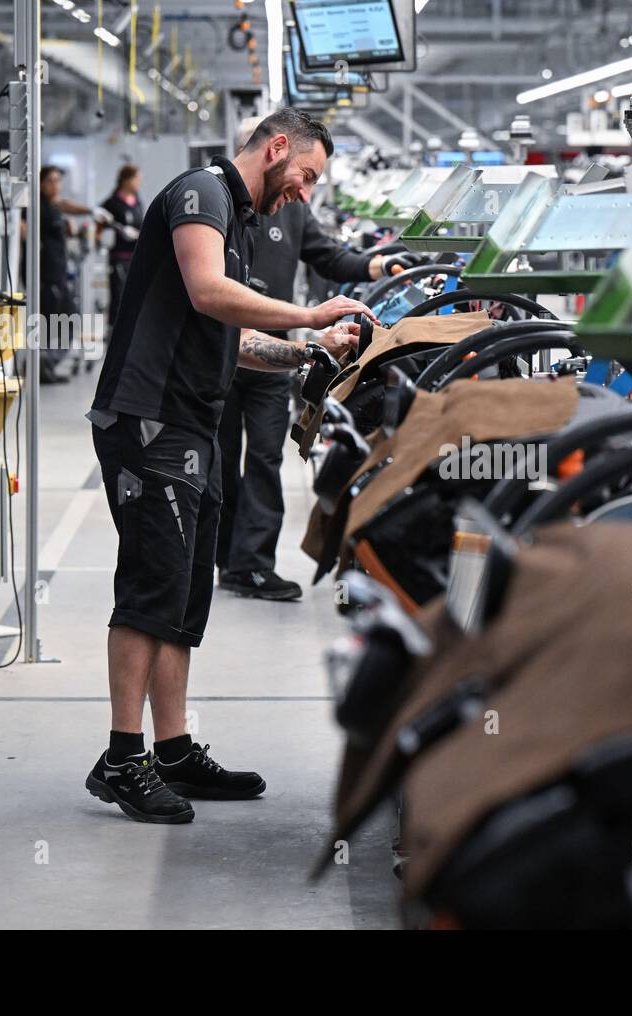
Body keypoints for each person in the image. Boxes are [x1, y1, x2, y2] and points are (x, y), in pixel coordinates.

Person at [84, 108, 376, 824]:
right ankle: (123, 757)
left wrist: (312, 352)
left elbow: (235, 340)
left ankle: (173, 748)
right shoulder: (201, 194)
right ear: (277, 148)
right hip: (148, 420)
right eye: (306, 174)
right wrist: (307, 315)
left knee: (185, 594)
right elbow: (206, 291)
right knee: (152, 586)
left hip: (195, 425)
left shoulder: (238, 222)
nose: (304, 192)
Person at [217, 118, 425, 601]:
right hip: (223, 354)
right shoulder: (217, 205)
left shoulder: (290, 209)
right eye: (306, 176)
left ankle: (252, 565)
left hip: (273, 356)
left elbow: (328, 257)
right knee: (218, 464)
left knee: (266, 461)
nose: (304, 191)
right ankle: (224, 556)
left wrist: (382, 263)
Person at [27, 165, 111, 384]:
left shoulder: (52, 205)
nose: (56, 185)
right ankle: (44, 366)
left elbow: (65, 205)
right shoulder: (36, 206)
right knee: (54, 322)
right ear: (41, 183)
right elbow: (26, 231)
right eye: (51, 181)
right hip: (46, 274)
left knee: (65, 320)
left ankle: (47, 366)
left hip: (59, 272)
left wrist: (90, 211)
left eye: (58, 180)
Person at [100, 164, 143, 356]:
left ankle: (131, 337)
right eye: (135, 179)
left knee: (134, 297)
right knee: (118, 298)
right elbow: (99, 223)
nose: (138, 183)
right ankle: (114, 340)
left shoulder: (137, 201)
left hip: (134, 258)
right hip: (118, 259)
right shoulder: (112, 203)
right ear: (126, 180)